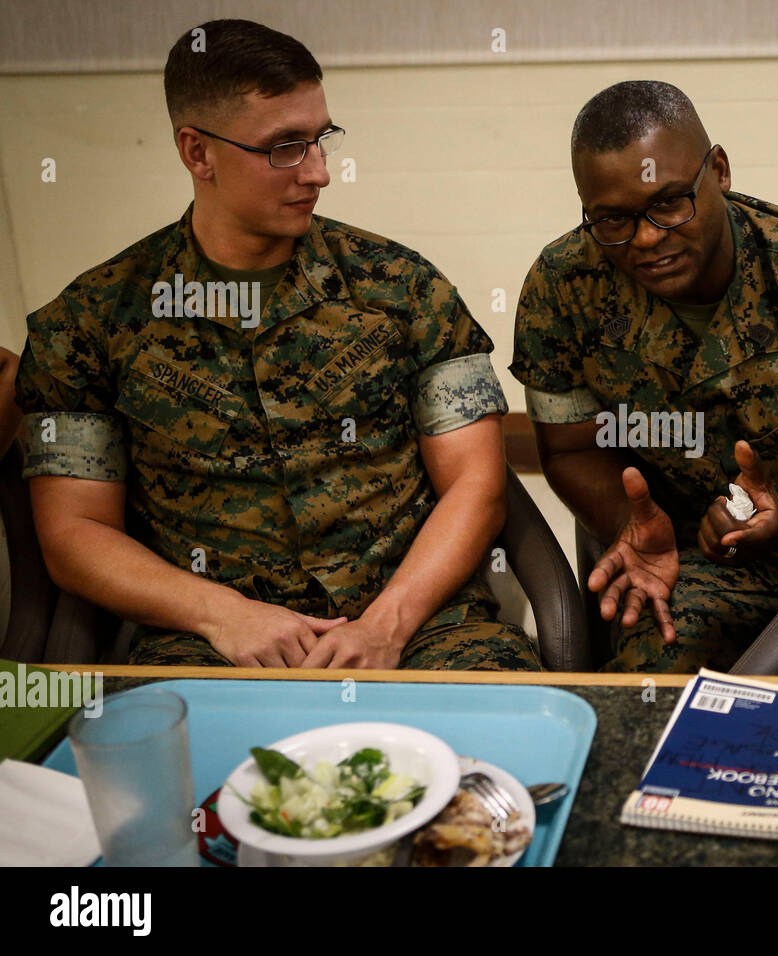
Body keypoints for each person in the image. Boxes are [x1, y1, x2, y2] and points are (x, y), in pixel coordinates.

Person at [15, 19, 540, 671]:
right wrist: (221, 614)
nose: (318, 172)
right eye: (285, 148)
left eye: (321, 140)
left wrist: (385, 626)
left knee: (509, 748)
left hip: (422, 627)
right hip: (210, 642)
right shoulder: (91, 321)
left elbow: (477, 483)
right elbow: (73, 532)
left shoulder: (403, 288)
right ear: (197, 152)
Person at [511, 81, 778, 672]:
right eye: (613, 219)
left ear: (720, 171)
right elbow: (571, 448)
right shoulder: (562, 287)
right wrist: (627, 524)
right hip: (689, 557)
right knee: (655, 659)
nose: (648, 238)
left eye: (670, 202)